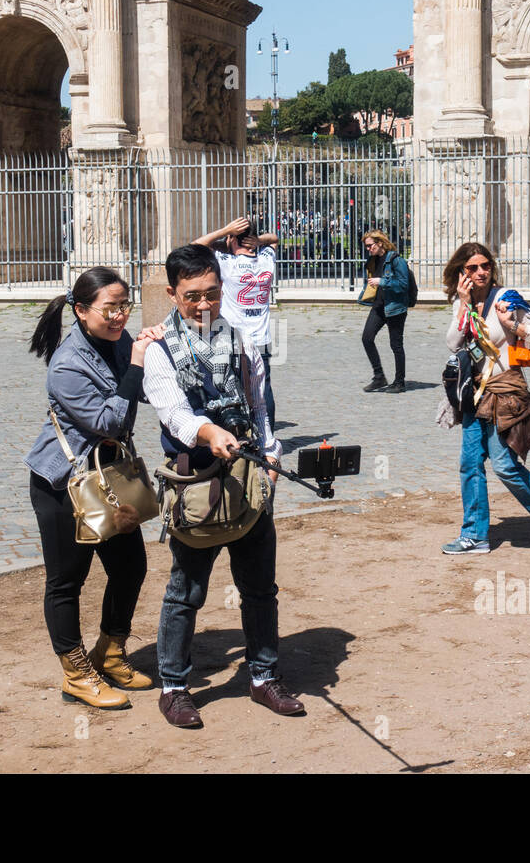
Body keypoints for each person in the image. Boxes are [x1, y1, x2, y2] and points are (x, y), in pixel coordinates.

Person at [142, 244, 302, 729]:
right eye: (193, 296)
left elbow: (259, 403)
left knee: (259, 588)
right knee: (185, 590)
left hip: (249, 474)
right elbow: (173, 412)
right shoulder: (157, 348)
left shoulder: (242, 339)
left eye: (213, 293)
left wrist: (271, 456)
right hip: (195, 478)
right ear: (172, 294)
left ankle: (263, 676)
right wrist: (210, 433)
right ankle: (173, 687)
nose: (205, 305)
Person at [24, 267, 164, 709]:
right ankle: (75, 673)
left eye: (125, 305)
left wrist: (157, 346)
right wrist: (138, 363)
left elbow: (143, 387)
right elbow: (110, 421)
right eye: (111, 308)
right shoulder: (67, 365)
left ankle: (110, 651)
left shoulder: (118, 341)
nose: (121, 316)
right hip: (65, 485)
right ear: (82, 312)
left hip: (110, 478)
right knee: (68, 581)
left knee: (130, 567)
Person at [439, 242, 530, 556]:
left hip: (504, 390)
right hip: (474, 392)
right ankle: (474, 535)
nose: (481, 272)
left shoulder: (507, 298)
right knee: (470, 464)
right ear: (462, 272)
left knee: (504, 466)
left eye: (485, 265)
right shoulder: (465, 302)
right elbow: (452, 342)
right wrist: (462, 302)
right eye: (472, 268)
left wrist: (511, 323)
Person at [194, 215, 279, 428]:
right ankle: (266, 432)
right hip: (261, 336)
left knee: (232, 387)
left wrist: (224, 231)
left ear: (232, 239)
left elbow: (195, 246)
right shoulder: (267, 258)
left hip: (234, 338)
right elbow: (275, 239)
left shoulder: (227, 263)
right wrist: (259, 240)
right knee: (262, 389)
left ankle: (240, 430)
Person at [357, 230, 413, 393]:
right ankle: (379, 377)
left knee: (396, 345)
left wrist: (382, 281)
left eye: (369, 245)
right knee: (367, 338)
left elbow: (403, 284)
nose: (367, 249)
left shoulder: (397, 261)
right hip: (379, 306)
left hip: (395, 307)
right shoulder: (374, 260)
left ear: (380, 243)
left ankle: (399, 382)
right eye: (366, 246)